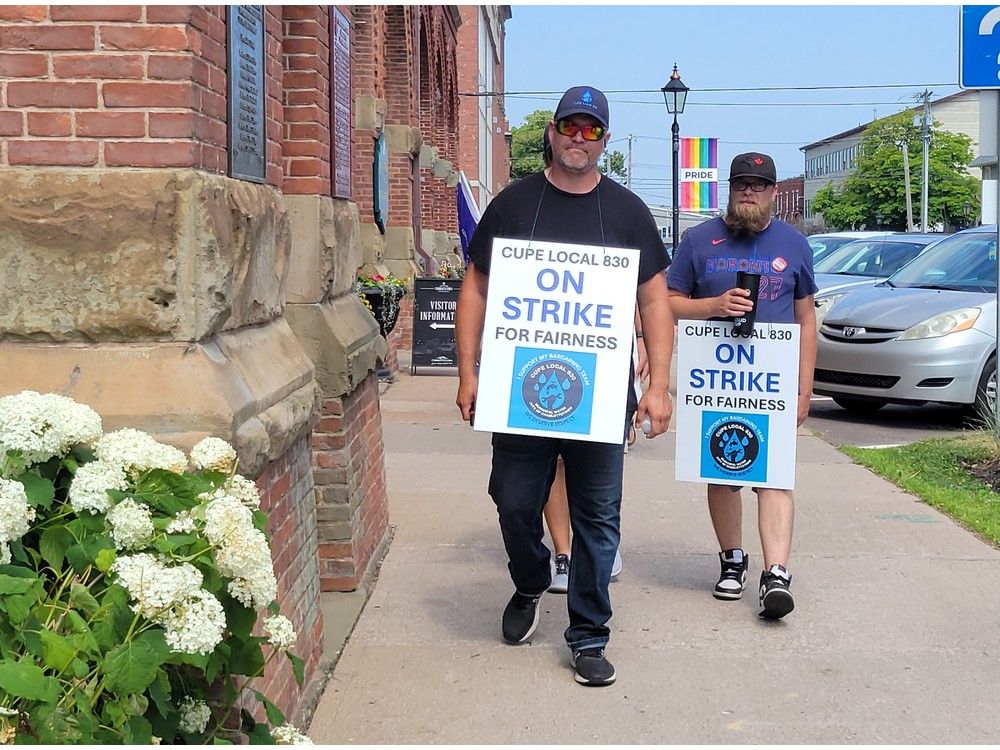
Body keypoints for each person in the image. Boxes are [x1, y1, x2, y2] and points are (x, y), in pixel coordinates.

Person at [455, 85, 674, 686]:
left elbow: (654, 299)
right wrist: (468, 370)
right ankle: (530, 582)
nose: (580, 139)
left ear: (603, 140)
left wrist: (660, 383)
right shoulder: (512, 205)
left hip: (602, 396)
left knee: (598, 518)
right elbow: (475, 288)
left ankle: (587, 635)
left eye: (592, 131)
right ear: (551, 132)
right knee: (513, 500)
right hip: (518, 387)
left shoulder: (628, 211)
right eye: (570, 128)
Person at [666, 152, 817, 620]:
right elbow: (667, 303)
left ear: (774, 193)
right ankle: (732, 559)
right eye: (740, 184)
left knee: (773, 474)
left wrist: (804, 389)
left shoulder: (793, 245)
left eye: (758, 184)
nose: (748, 192)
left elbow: (806, 318)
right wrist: (712, 305)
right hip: (717, 376)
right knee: (722, 469)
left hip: (769, 380)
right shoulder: (698, 240)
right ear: (729, 190)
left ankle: (776, 573)